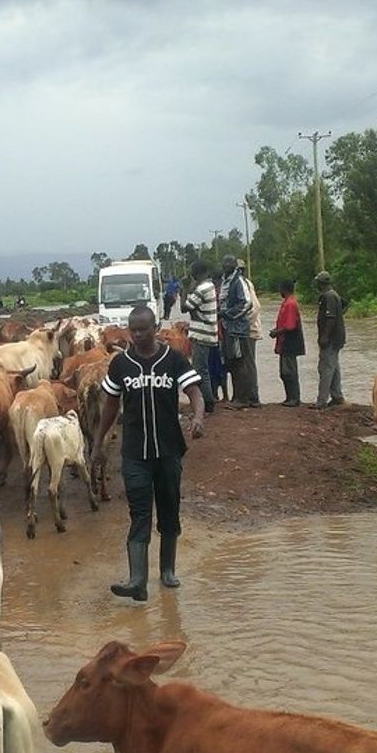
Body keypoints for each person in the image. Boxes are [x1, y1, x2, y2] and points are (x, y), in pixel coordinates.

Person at [91, 306, 205, 602]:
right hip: (135, 453)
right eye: (133, 329)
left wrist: (198, 417)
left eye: (143, 329)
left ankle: (167, 571)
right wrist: (98, 442)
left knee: (169, 510)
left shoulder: (174, 359)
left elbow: (194, 392)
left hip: (168, 451)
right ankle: (137, 580)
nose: (138, 334)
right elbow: (111, 405)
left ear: (155, 328)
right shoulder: (120, 364)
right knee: (139, 514)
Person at [218, 255, 258, 407]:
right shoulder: (227, 281)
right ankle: (237, 397)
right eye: (224, 264)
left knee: (241, 363)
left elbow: (246, 304)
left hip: (238, 330)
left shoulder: (238, 281)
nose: (225, 267)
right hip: (229, 328)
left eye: (228, 265)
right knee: (233, 363)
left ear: (234, 266)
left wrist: (227, 314)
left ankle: (243, 399)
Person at [180, 261, 218, 414]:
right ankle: (207, 402)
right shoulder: (209, 286)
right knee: (203, 369)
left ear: (195, 274)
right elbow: (192, 308)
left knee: (200, 370)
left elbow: (184, 307)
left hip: (202, 334)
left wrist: (183, 289)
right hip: (207, 332)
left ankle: (208, 404)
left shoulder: (201, 289)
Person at [312, 271, 347, 408]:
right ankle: (337, 396)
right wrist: (340, 315)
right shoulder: (334, 295)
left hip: (331, 339)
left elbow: (330, 318)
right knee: (334, 367)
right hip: (338, 337)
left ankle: (321, 401)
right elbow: (345, 304)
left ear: (321, 283)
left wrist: (324, 336)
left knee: (325, 368)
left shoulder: (329, 296)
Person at [270, 279, 305, 406]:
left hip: (289, 341)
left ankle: (294, 398)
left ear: (284, 289)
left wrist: (276, 332)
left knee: (288, 371)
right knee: (286, 371)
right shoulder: (288, 302)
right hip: (287, 340)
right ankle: (290, 397)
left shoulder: (290, 304)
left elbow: (289, 326)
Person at [240, 260, 262, 405]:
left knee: (248, 363)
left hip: (248, 330)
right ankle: (248, 395)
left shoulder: (245, 284)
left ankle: (253, 396)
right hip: (247, 329)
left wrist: (244, 324)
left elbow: (255, 307)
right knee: (245, 363)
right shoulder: (243, 283)